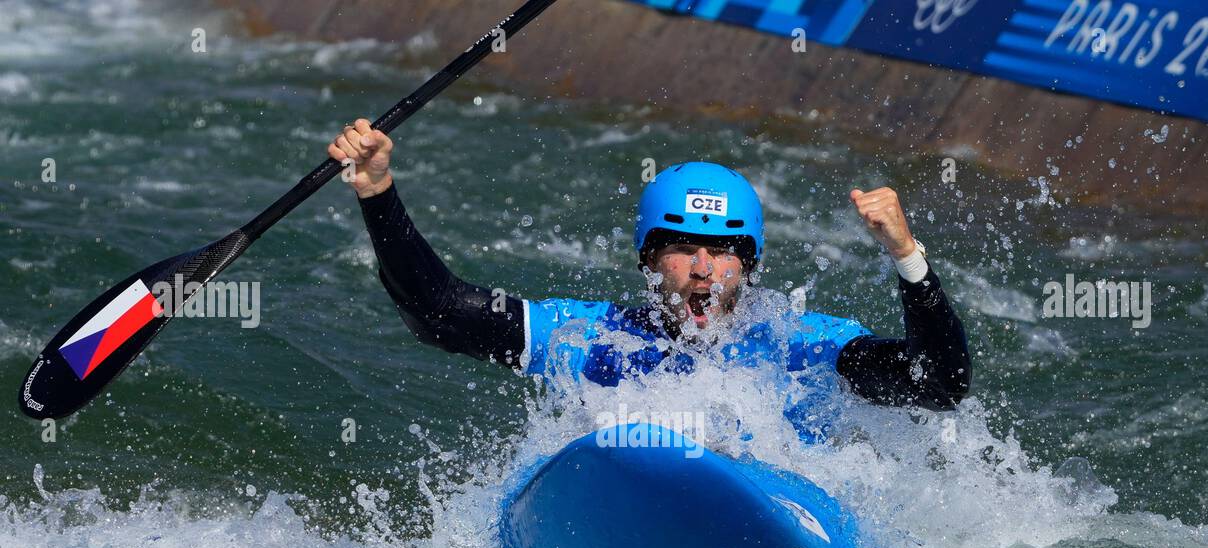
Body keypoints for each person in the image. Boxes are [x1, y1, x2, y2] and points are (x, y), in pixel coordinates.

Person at [328, 118, 971, 418]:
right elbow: (439, 314)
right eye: (681, 248)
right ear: (648, 259)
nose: (702, 268)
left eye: (722, 252)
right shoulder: (589, 339)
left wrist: (906, 256)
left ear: (748, 267)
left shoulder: (805, 347)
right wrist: (378, 193)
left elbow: (941, 385)